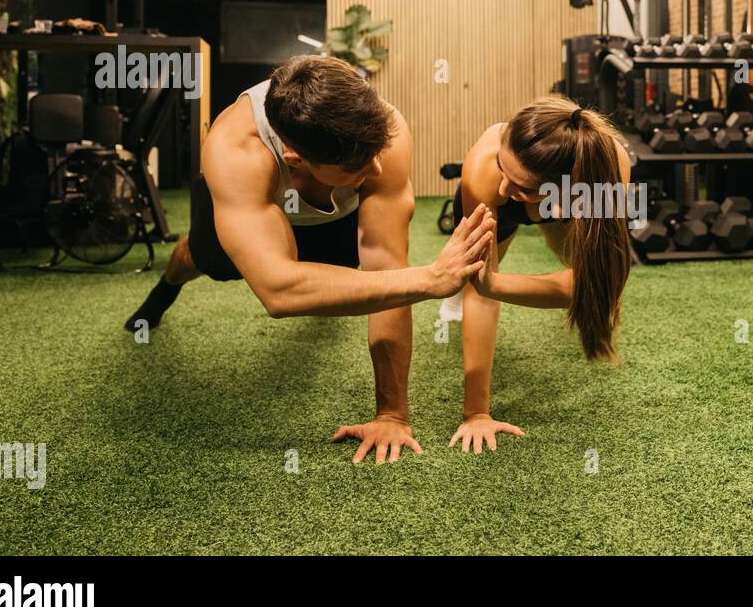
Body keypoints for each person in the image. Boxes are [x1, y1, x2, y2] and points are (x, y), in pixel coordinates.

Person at [123, 55, 495, 464]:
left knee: (356, 272)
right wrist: (428, 279)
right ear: (295, 158)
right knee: (199, 258)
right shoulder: (237, 150)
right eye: (357, 164)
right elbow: (279, 291)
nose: (375, 168)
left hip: (333, 205)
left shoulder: (383, 132)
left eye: (376, 152)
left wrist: (392, 415)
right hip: (254, 203)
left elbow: (386, 265)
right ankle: (165, 289)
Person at [444, 96, 634, 454]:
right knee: (473, 281)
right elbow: (482, 295)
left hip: (560, 204)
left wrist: (496, 283)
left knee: (586, 276)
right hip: (506, 210)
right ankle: (451, 298)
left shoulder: (609, 171)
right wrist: (476, 414)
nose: (506, 187)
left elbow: (595, 283)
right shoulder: (488, 174)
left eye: (523, 185)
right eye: (506, 168)